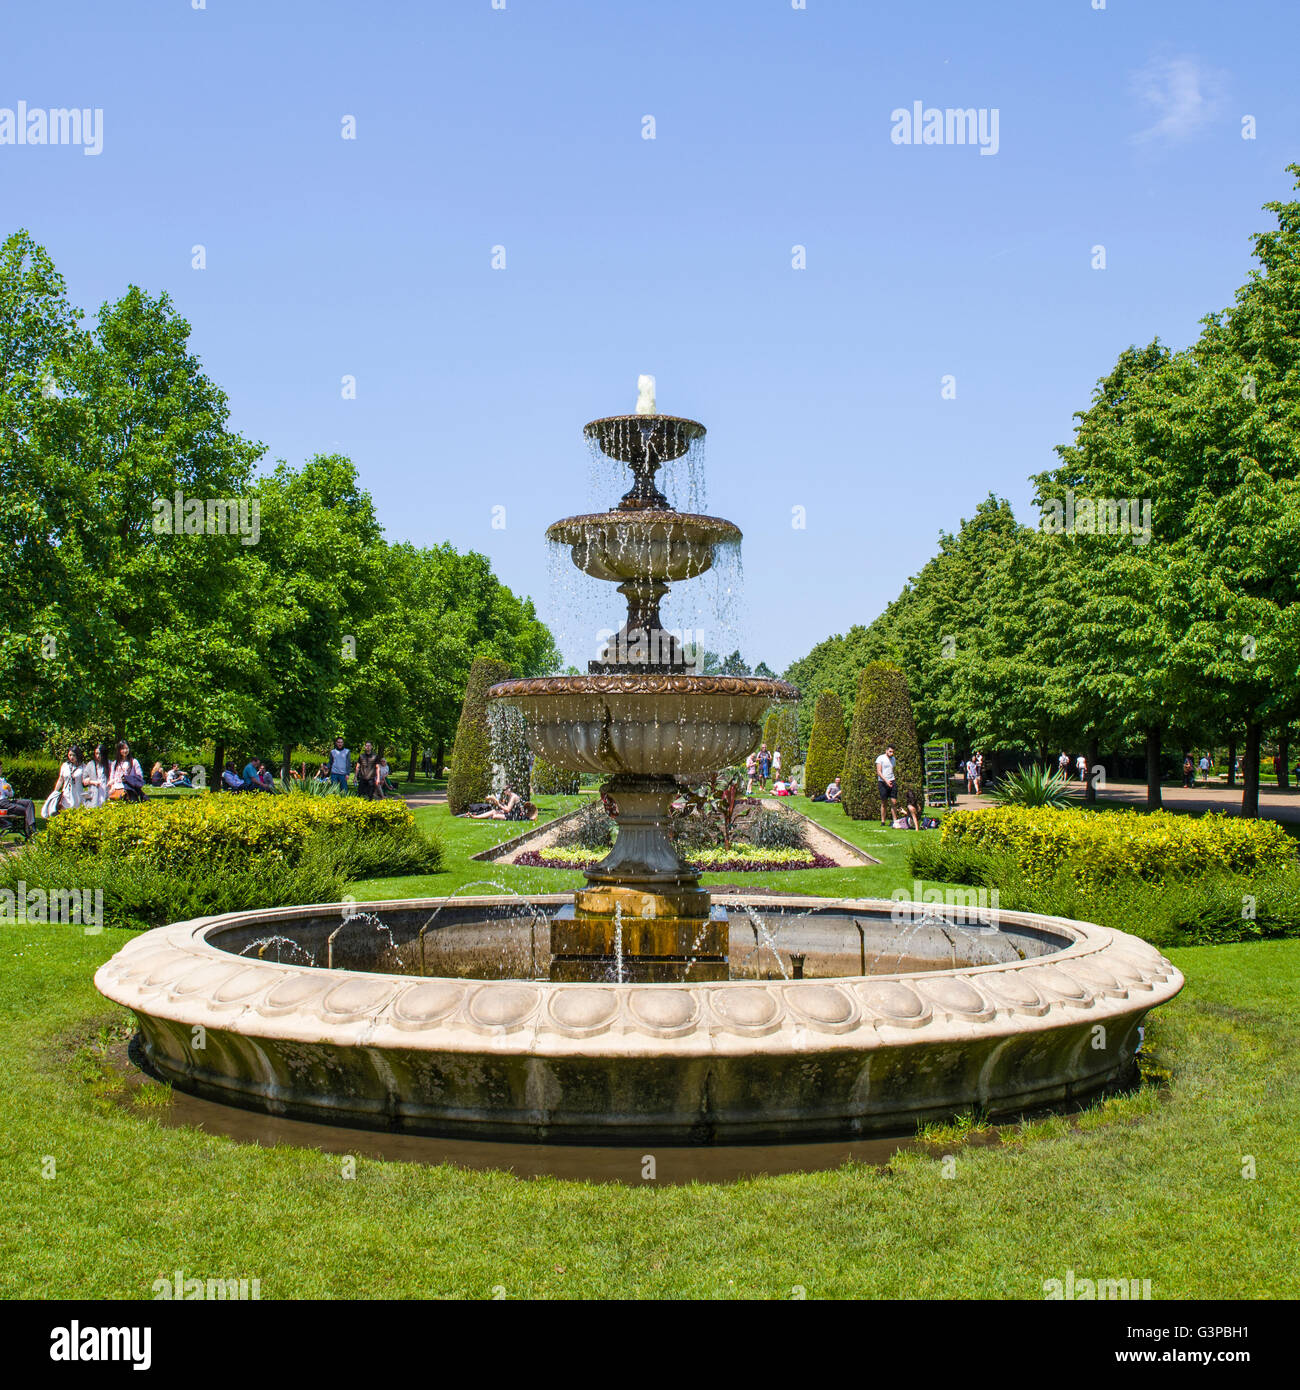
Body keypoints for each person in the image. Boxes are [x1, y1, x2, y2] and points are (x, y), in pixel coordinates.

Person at [45, 745, 88, 816]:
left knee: (76, 814)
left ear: (78, 755)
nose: (71, 757)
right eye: (70, 755)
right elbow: (60, 780)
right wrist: (55, 792)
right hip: (66, 793)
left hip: (77, 794)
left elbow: (85, 781)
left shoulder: (83, 767)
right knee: (64, 813)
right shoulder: (65, 766)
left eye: (73, 755)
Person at [0, 758, 36, 835]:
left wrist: (9, 790)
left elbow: (11, 795)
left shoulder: (2, 781)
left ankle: (32, 827)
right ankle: (31, 831)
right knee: (24, 809)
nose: (1, 770)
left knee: (29, 803)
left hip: (7, 801)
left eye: (1, 768)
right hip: (1, 803)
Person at [875, 744, 899, 825]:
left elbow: (892, 769)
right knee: (884, 802)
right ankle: (883, 820)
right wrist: (886, 781)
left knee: (894, 802)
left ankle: (895, 820)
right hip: (882, 782)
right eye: (890, 751)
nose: (891, 753)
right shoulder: (880, 758)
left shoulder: (893, 759)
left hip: (892, 781)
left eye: (893, 752)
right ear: (886, 751)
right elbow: (879, 771)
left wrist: (892, 779)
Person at [83, 743, 111, 809]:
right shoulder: (90, 764)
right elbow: (84, 780)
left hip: (106, 792)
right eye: (96, 753)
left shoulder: (109, 764)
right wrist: (92, 782)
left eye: (100, 754)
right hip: (93, 794)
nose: (98, 756)